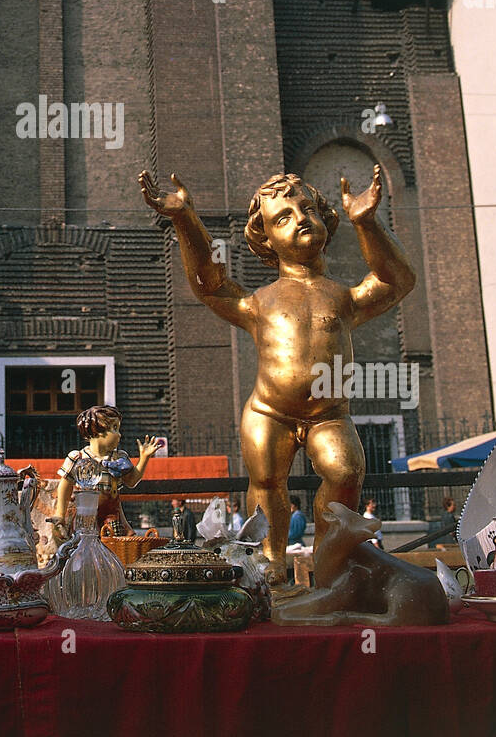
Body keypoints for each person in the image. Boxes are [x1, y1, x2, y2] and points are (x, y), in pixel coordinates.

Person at [140, 164, 415, 584]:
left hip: (328, 414)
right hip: (269, 412)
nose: (301, 218)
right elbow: (210, 284)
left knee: (345, 473)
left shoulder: (344, 297)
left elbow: (395, 280)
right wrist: (185, 219)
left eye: (308, 209)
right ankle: (270, 565)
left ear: (325, 217)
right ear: (265, 237)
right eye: (283, 217)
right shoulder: (259, 302)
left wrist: (367, 223)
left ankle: (331, 563)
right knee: (267, 484)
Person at [50, 407, 162, 542]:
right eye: (114, 428)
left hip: (111, 512)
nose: (119, 434)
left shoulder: (119, 458)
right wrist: (60, 514)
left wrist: (144, 458)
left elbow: (131, 481)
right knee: (85, 542)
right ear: (98, 431)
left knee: (114, 542)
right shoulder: (77, 458)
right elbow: (65, 486)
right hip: (85, 511)